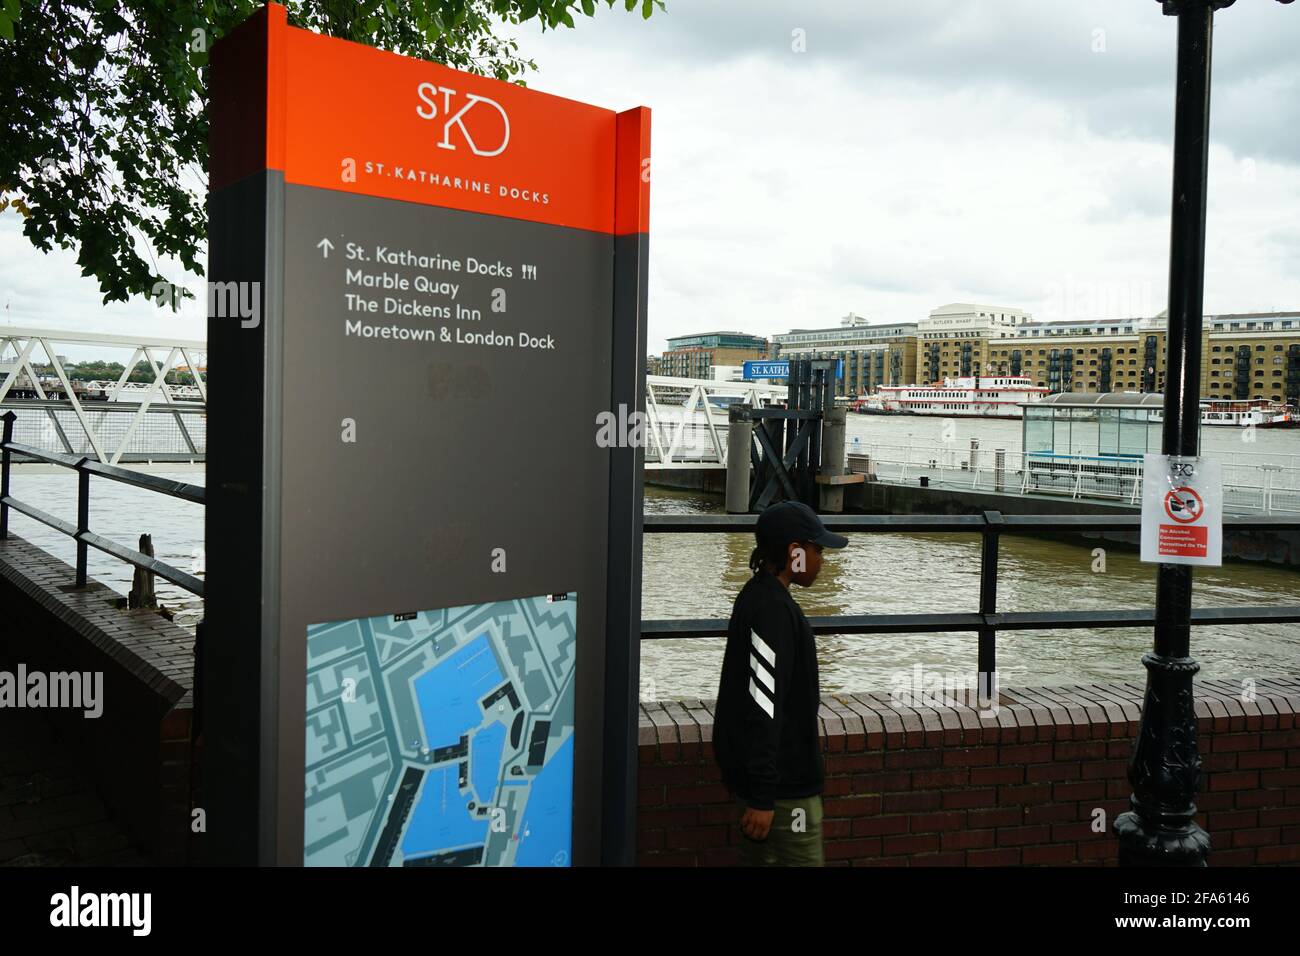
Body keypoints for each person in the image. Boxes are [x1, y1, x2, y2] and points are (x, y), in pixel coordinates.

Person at [712, 500, 848, 867]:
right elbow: (764, 702)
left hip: (772, 790)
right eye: (817, 550)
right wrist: (762, 797)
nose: (822, 560)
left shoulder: (759, 597)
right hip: (785, 798)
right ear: (795, 553)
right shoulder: (772, 610)